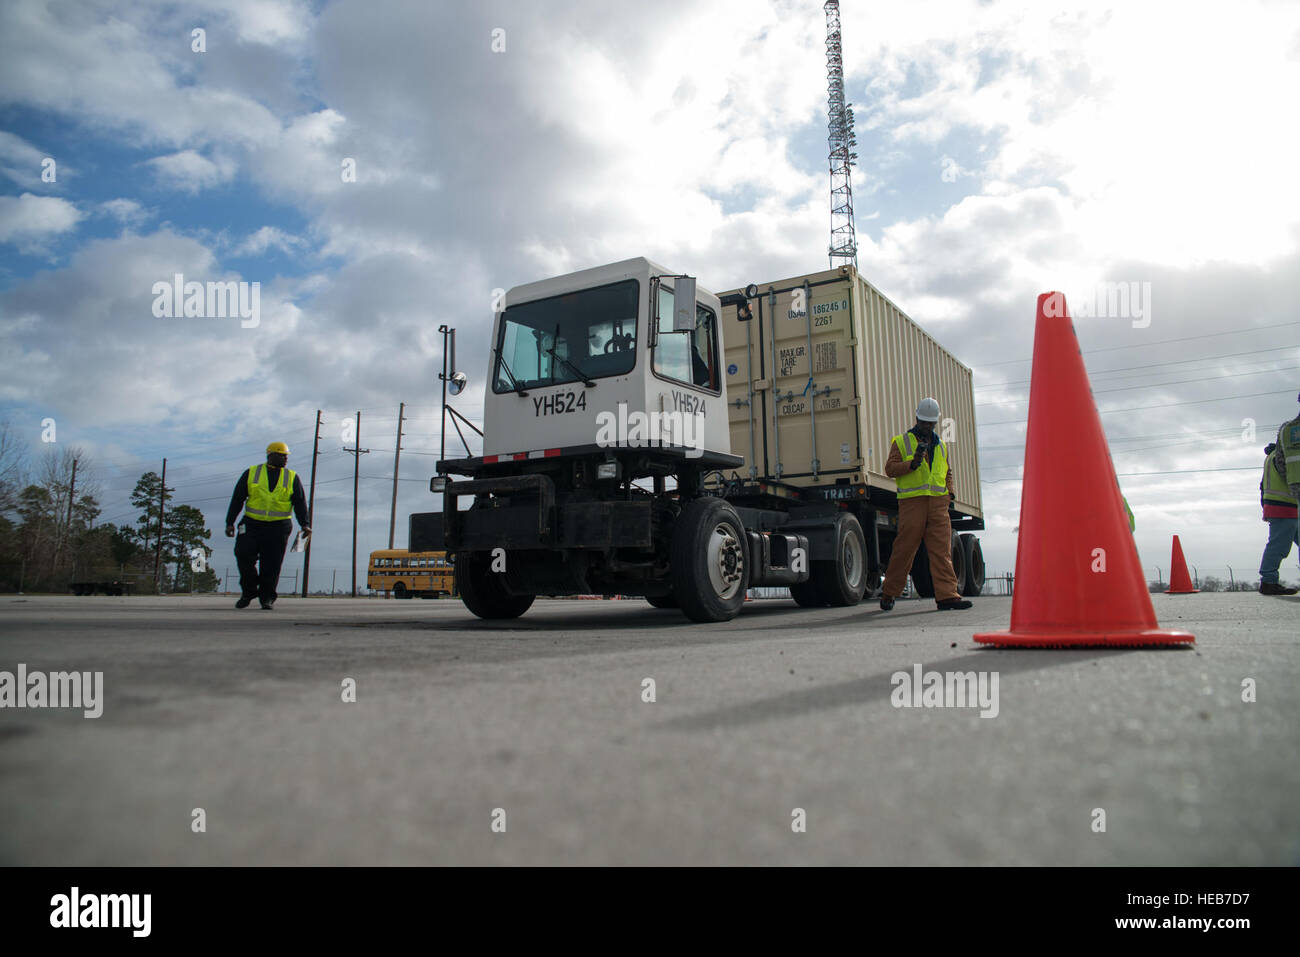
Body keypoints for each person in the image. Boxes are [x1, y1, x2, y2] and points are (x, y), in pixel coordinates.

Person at [879, 397, 973, 611]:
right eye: (923, 422)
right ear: (917, 418)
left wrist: (950, 493)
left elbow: (947, 472)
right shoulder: (901, 442)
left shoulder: (941, 446)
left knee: (942, 551)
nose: (926, 426)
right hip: (913, 503)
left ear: (935, 422)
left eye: (930, 423)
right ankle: (889, 593)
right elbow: (890, 469)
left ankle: (948, 596)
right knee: (905, 550)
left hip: (939, 504)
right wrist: (912, 463)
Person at [225, 441, 310, 609]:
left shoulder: (291, 477)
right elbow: (237, 499)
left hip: (279, 527)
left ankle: (267, 598)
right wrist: (230, 522)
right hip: (251, 524)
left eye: (286, 456)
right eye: (282, 455)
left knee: (272, 564)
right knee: (243, 555)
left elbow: (300, 503)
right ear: (270, 455)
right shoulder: (251, 473)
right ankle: (249, 591)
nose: (285, 459)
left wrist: (305, 524)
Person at [1258, 441, 1299, 596]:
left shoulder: (1274, 454)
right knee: (1278, 546)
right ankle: (1268, 581)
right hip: (1284, 506)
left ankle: (1269, 580)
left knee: (1277, 545)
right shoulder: (1284, 455)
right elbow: (1293, 478)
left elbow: (1262, 485)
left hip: (1281, 505)